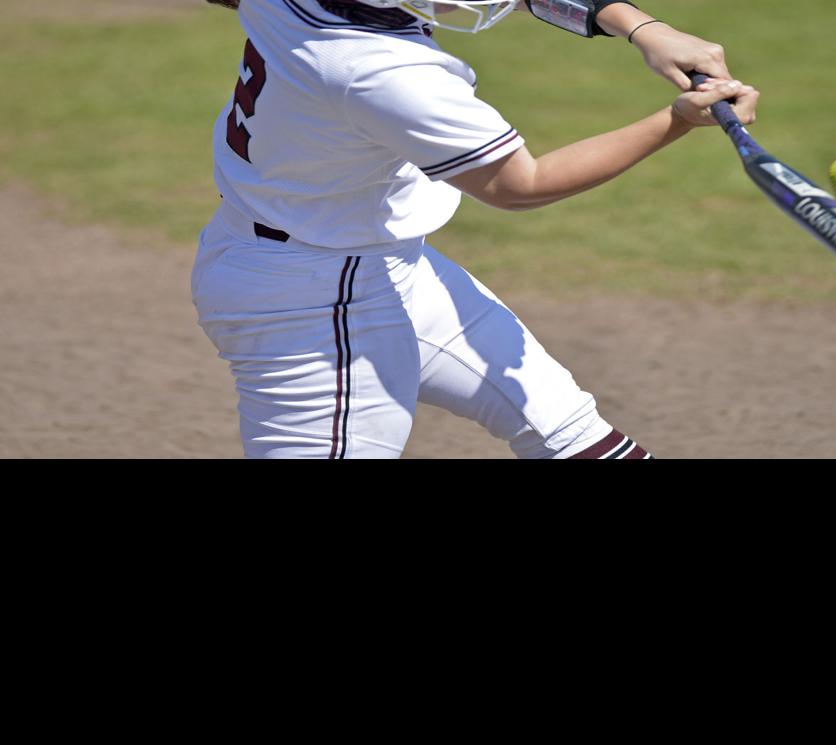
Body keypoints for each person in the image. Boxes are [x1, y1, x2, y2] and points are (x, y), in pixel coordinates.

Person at [192, 0, 759, 458]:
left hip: (377, 264)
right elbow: (521, 185)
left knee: (572, 435)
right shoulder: (384, 73)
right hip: (313, 306)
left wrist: (641, 28)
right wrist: (678, 119)